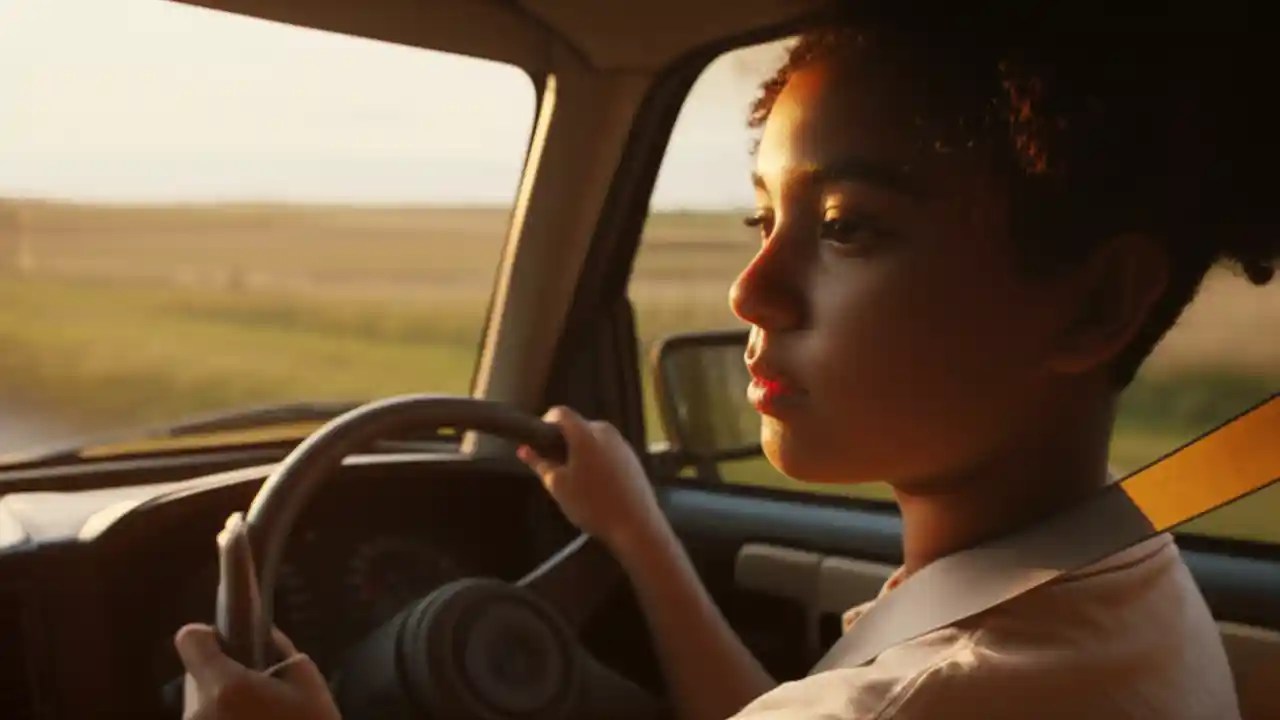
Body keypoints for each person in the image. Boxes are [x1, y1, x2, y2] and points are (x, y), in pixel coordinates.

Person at [174, 5, 1276, 719]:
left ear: (1092, 304)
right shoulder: (1115, 589)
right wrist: (643, 540)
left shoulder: (939, 695)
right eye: (763, 221)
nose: (750, 292)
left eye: (846, 228)